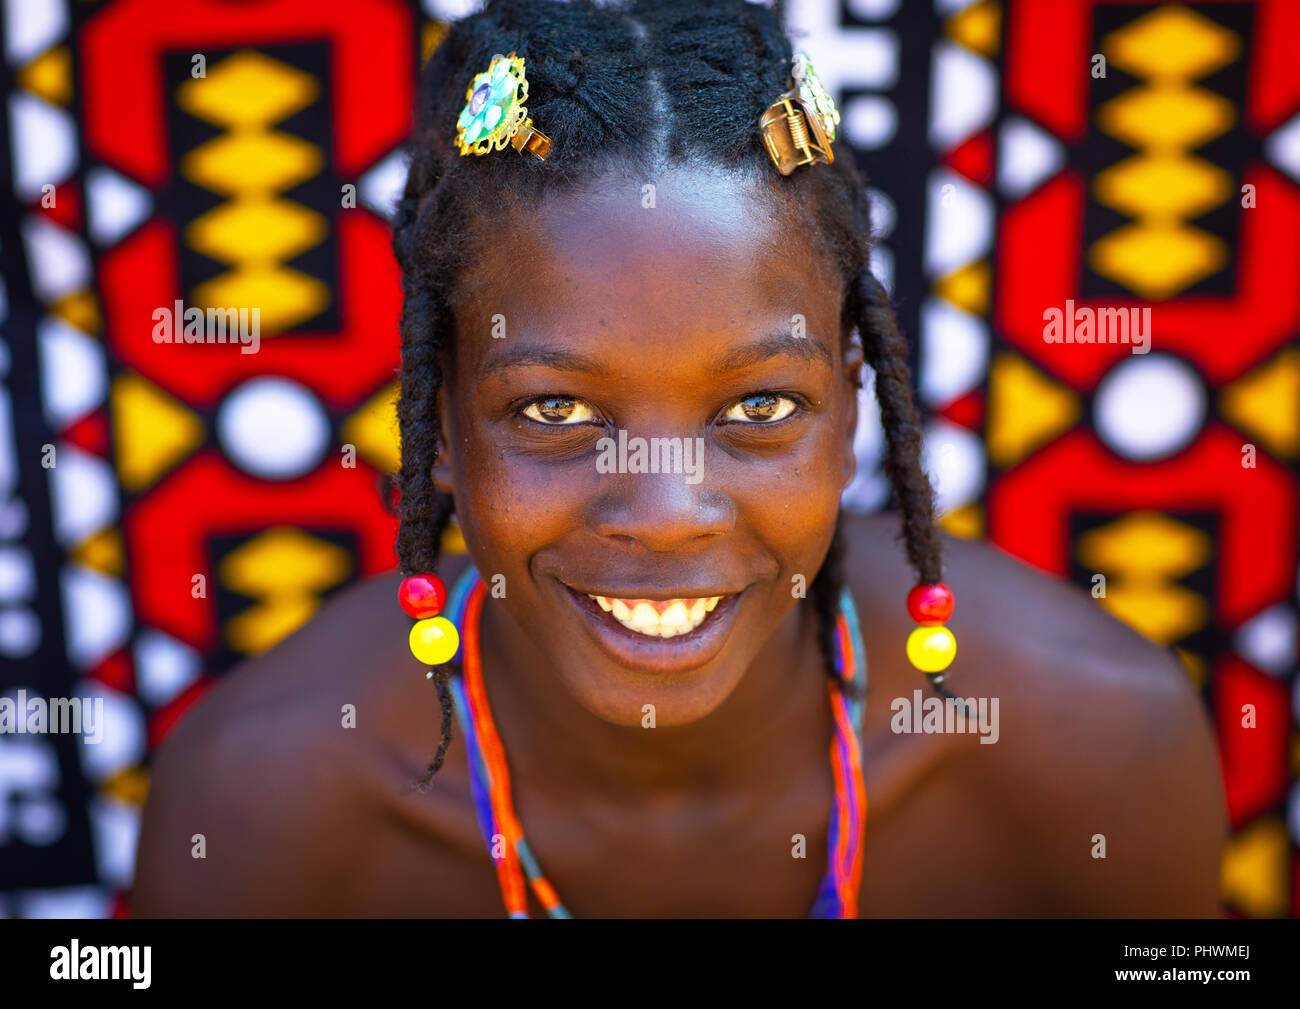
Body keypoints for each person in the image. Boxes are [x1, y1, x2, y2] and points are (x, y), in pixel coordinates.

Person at [132, 0, 1225, 917]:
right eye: (554, 407)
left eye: (759, 403)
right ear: (444, 428)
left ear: (849, 409)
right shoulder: (262, 809)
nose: (664, 512)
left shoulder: (1095, 744)